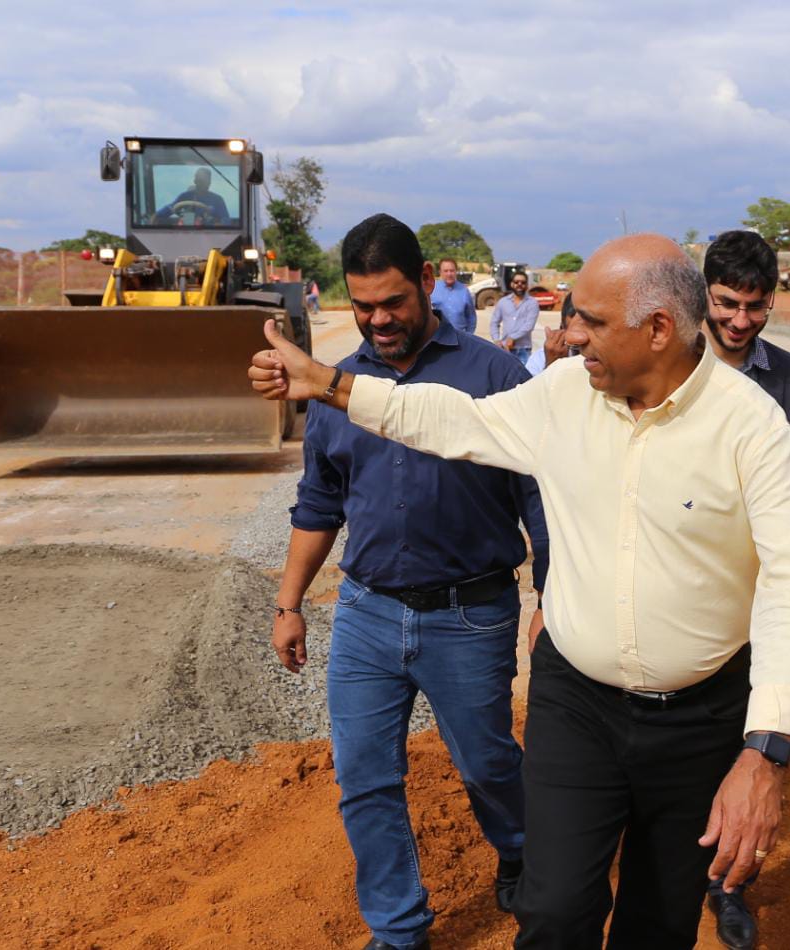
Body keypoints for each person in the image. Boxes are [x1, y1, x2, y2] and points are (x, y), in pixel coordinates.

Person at [250, 233, 790, 949]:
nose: (570, 335)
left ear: (657, 329)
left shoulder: (751, 425)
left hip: (699, 718)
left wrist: (765, 752)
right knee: (553, 910)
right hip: (576, 703)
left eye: (591, 320)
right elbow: (457, 420)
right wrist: (329, 383)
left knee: (659, 921)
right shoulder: (564, 393)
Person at [269, 213, 548, 950]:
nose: (379, 320)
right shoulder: (335, 388)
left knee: (487, 763)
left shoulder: (494, 375)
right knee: (363, 777)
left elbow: (539, 494)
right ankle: (398, 930)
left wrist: (550, 595)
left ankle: (521, 849)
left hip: (471, 615)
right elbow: (318, 504)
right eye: (363, 306)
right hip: (366, 614)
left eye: (393, 301)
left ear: (427, 282)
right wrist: (289, 603)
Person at [702, 231, 790, 569]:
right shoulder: (668, 366)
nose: (741, 321)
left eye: (756, 307)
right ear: (704, 292)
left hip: (766, 564)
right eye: (727, 303)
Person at [490, 271, 540, 365]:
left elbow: (529, 325)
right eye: (516, 282)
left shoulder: (532, 303)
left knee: (524, 374)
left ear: (527, 285)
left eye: (523, 282)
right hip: (504, 349)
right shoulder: (503, 302)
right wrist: (496, 340)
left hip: (524, 350)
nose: (519, 284)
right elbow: (494, 322)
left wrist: (512, 338)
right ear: (511, 284)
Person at [156, 167, 230, 225]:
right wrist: (155, 217)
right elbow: (169, 209)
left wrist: (219, 224)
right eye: (200, 180)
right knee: (187, 216)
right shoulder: (184, 196)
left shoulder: (217, 200)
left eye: (206, 180)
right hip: (187, 233)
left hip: (210, 235)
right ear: (195, 181)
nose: (203, 183)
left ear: (210, 182)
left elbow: (226, 220)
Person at [525, 294, 575, 377]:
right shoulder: (540, 358)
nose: (580, 338)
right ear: (561, 328)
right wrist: (552, 364)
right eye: (574, 332)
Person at [430, 257, 477, 333]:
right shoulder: (432, 289)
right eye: (446, 271)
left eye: (452, 271)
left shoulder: (464, 291)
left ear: (456, 271)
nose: (449, 274)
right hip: (438, 336)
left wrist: (468, 335)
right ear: (440, 272)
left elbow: (471, 317)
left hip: (459, 337)